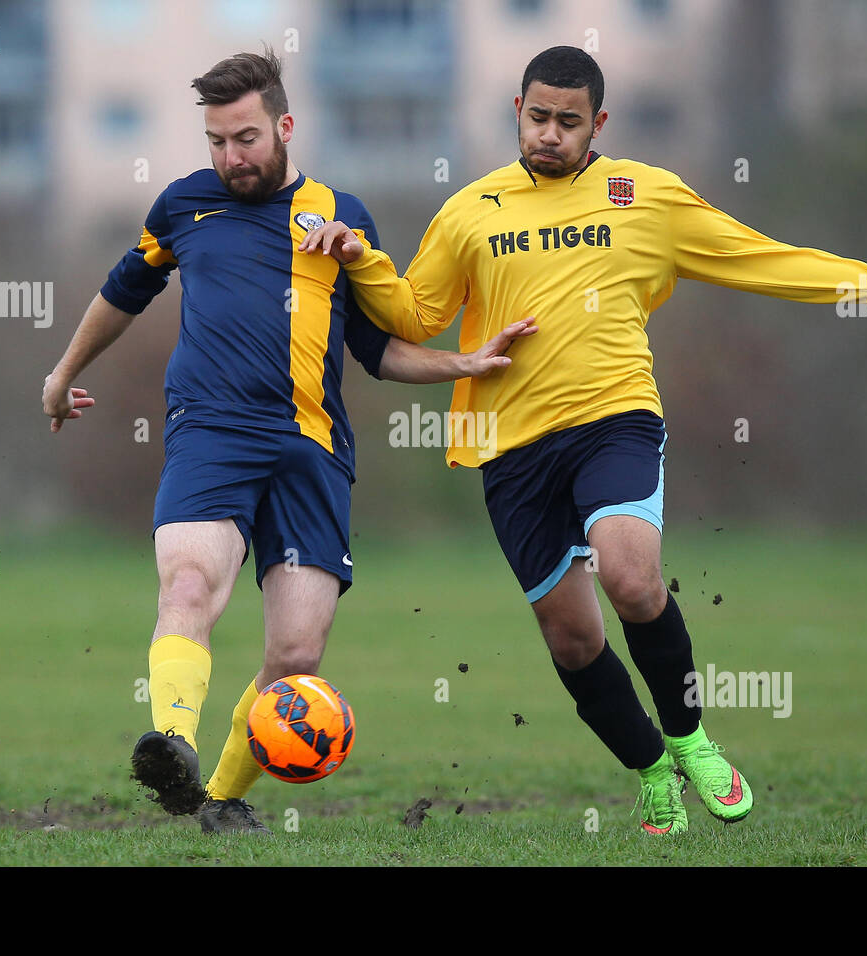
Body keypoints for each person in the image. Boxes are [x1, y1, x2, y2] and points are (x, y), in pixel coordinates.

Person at [300, 45, 867, 834]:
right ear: (517, 114)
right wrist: (363, 260)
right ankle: (651, 771)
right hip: (506, 444)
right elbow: (415, 316)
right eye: (538, 118)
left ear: (598, 123)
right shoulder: (470, 210)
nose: (551, 135)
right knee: (572, 640)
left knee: (631, 578)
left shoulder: (647, 197)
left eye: (569, 121)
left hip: (615, 417)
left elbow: (757, 259)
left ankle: (693, 738)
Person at [42, 49, 532, 835]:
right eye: (215, 141)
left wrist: (462, 363)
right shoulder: (182, 207)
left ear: (285, 125)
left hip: (311, 449)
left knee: (297, 656)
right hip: (209, 434)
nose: (230, 157)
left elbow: (379, 350)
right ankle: (170, 741)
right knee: (190, 588)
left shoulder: (343, 217)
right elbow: (124, 289)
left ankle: (223, 800)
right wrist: (63, 372)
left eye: (245, 138)